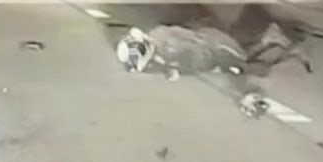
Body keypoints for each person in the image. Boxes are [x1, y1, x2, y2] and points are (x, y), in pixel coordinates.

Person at [116, 21, 311, 116]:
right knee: (235, 54)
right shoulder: (156, 37)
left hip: (214, 44)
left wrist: (179, 71)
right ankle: (266, 37)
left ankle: (273, 42)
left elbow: (195, 59)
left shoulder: (168, 47)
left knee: (240, 65)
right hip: (209, 37)